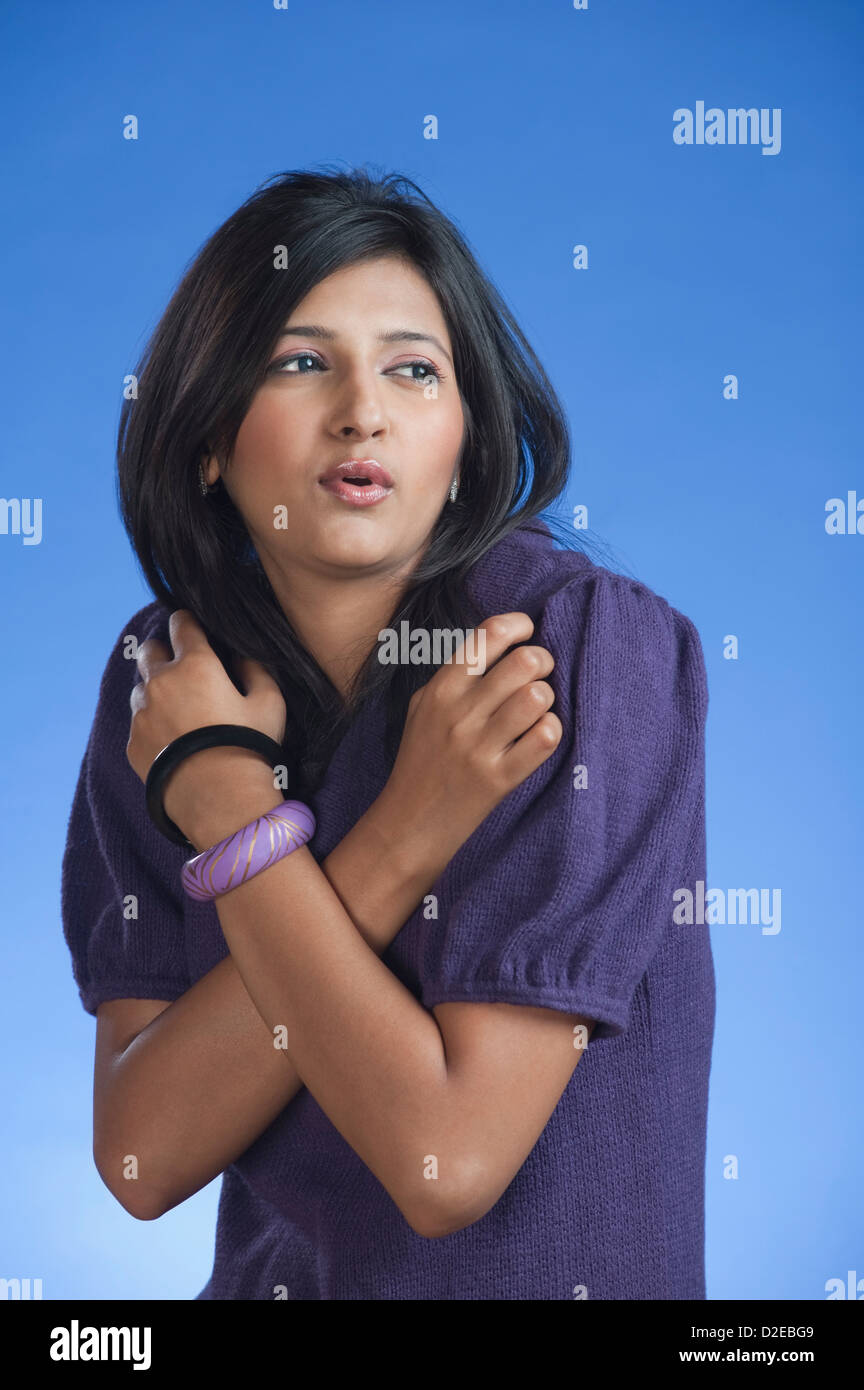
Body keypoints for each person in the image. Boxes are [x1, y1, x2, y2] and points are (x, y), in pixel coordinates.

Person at [61, 165, 715, 1300]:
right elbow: (142, 1155)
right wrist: (373, 832)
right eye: (301, 362)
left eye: (415, 368)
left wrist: (236, 826)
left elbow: (445, 1160)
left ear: (465, 438)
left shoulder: (567, 651)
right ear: (209, 437)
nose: (362, 409)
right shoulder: (172, 687)